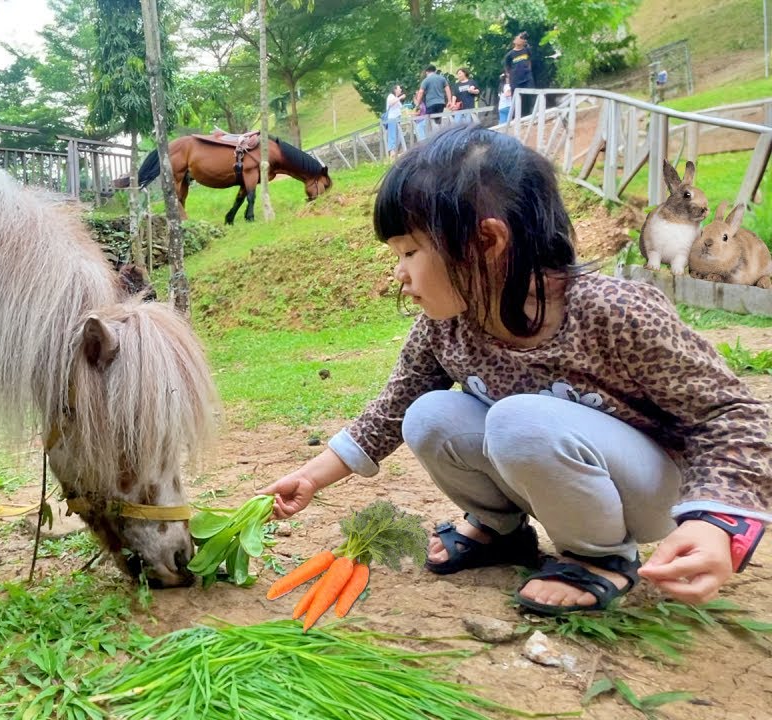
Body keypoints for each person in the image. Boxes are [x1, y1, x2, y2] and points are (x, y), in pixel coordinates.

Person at [260, 125, 770, 616]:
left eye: (411, 251)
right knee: (428, 414)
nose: (400, 272)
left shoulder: (614, 312)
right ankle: (500, 529)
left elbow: (732, 413)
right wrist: (309, 477)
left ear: (486, 241)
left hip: (646, 489)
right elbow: (390, 412)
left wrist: (716, 524)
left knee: (517, 419)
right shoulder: (448, 325)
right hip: (552, 460)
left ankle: (601, 555)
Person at [503, 32, 535, 117]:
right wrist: (508, 82)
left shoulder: (527, 50)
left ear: (524, 41)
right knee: (517, 99)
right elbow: (507, 68)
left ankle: (532, 114)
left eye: (520, 38)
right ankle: (518, 117)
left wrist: (529, 70)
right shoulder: (509, 55)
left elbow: (530, 60)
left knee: (530, 94)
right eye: (517, 38)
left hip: (527, 77)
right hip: (516, 80)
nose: (518, 39)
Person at [383, 84, 405, 158]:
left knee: (398, 135)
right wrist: (400, 97)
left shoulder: (395, 97)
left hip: (397, 119)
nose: (401, 90)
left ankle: (396, 151)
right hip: (392, 118)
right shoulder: (391, 96)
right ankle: (392, 152)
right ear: (395, 90)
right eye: (399, 88)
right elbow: (391, 103)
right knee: (392, 134)